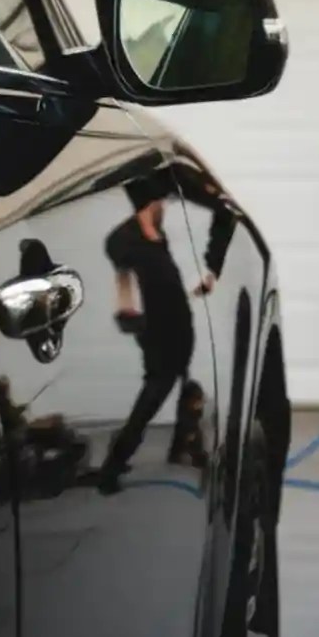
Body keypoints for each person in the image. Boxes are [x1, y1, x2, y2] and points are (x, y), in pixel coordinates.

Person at [97, 173, 228, 495]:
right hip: (156, 329)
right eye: (162, 200)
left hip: (178, 324)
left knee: (182, 380)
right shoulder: (123, 239)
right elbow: (122, 277)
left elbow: (223, 209)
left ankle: (181, 445)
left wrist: (211, 272)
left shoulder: (158, 235)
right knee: (156, 391)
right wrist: (126, 311)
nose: (166, 206)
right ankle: (112, 466)